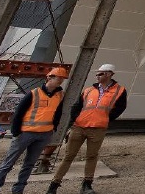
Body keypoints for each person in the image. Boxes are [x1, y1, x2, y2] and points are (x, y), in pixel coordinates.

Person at [46, 63, 127, 194]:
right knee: (68, 156)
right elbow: (76, 107)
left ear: (109, 74)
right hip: (79, 127)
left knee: (92, 156)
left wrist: (105, 118)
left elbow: (120, 107)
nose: (97, 76)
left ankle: (87, 185)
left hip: (98, 128)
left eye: (100, 73)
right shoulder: (89, 90)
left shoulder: (120, 90)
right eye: (97, 73)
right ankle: (54, 184)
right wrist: (74, 121)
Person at [0, 68, 67, 194]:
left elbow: (58, 113)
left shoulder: (59, 95)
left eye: (62, 79)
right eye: (58, 78)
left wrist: (53, 128)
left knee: (29, 164)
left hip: (44, 134)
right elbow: (18, 113)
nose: (60, 81)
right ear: (49, 78)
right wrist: (16, 132)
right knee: (8, 164)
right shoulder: (34, 93)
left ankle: (18, 190)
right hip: (25, 133)